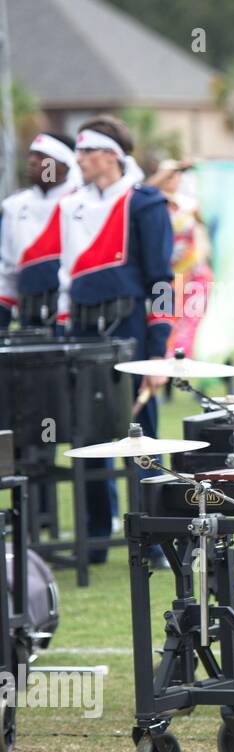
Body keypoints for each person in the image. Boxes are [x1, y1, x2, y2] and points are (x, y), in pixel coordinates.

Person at [57, 115, 174, 563]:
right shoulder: (71, 204)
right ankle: (94, 539)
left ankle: (159, 541)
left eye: (86, 153)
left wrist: (160, 345)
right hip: (82, 331)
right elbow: (66, 274)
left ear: (110, 155)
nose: (79, 160)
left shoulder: (144, 202)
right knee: (85, 436)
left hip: (129, 332)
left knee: (140, 439)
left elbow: (161, 279)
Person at [0, 133, 81, 329]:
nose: (33, 162)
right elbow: (7, 271)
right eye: (31, 156)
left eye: (44, 157)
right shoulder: (14, 206)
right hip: (29, 315)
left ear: (65, 166)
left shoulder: (81, 203)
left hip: (73, 317)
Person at [146, 159, 212, 360]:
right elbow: (142, 191)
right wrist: (167, 171)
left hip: (193, 276)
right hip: (166, 280)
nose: (172, 179)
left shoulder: (188, 204)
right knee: (165, 328)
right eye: (168, 175)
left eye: (176, 175)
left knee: (191, 326)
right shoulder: (152, 204)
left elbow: (205, 226)